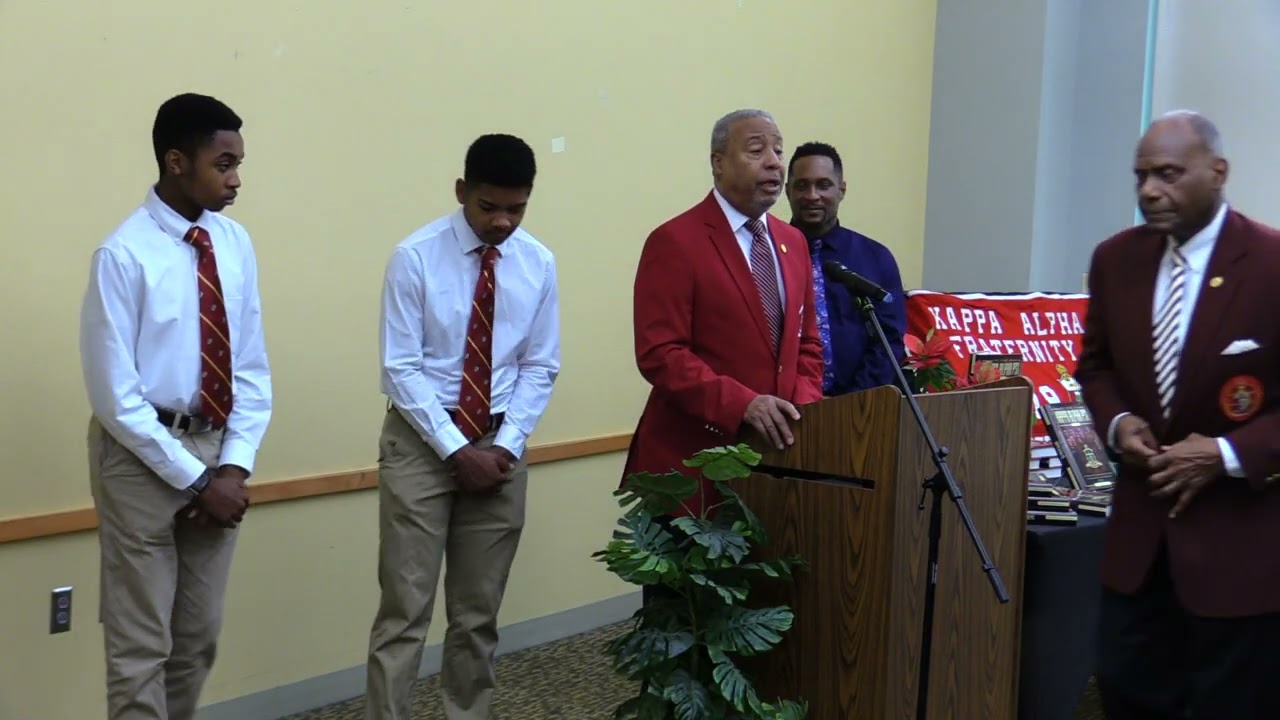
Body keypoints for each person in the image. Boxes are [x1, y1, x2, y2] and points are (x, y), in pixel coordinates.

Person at [1075, 109, 1280, 719]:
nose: (1149, 191)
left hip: (1239, 558)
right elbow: (1096, 366)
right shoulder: (1115, 260)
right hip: (1138, 555)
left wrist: (1225, 454)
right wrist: (1118, 424)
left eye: (1168, 174)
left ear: (1218, 172)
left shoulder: (1270, 264)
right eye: (1141, 176)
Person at [78, 92, 272, 720]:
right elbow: (115, 397)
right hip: (140, 456)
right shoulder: (123, 254)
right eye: (224, 165)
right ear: (176, 161)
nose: (236, 180)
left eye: (238, 165)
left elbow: (251, 367)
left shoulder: (234, 243)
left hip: (215, 451)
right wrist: (197, 482)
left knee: (196, 638)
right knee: (142, 646)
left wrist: (232, 468)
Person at [366, 133, 560, 720]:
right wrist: (456, 451)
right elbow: (401, 368)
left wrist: (505, 446)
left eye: (516, 208)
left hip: (499, 447)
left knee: (478, 615)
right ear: (461, 192)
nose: (503, 221)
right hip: (422, 445)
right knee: (405, 612)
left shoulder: (537, 262)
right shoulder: (415, 257)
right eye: (488, 206)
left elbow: (539, 365)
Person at [624, 108, 825, 521]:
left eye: (778, 150)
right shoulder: (675, 241)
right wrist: (742, 404)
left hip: (776, 464)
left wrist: (802, 412)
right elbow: (661, 353)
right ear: (718, 163)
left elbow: (807, 343)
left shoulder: (793, 242)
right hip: (691, 469)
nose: (774, 162)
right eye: (756, 150)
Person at [786, 142, 906, 394]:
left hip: (863, 404)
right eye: (802, 186)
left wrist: (854, 403)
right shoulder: (768, 253)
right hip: (785, 404)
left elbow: (888, 340)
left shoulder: (875, 258)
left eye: (823, 185)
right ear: (787, 191)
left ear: (842, 189)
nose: (812, 195)